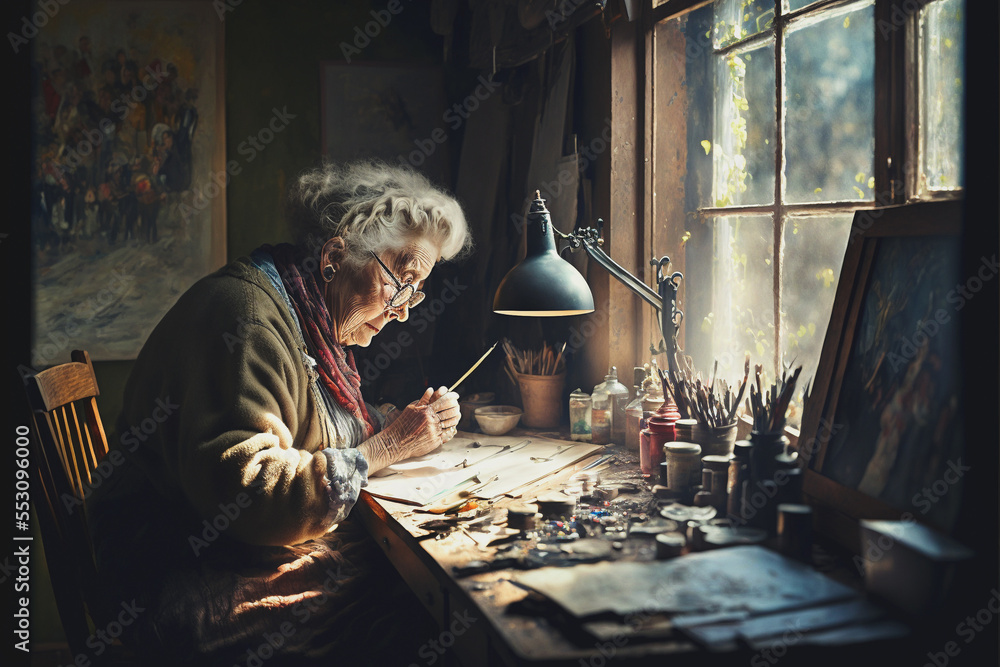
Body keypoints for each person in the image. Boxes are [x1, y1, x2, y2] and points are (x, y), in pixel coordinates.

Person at [87, 161, 472, 665]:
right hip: (177, 578)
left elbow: (312, 425)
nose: (402, 309)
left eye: (415, 292)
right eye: (400, 281)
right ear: (335, 255)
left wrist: (391, 424)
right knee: (410, 602)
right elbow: (251, 493)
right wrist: (389, 445)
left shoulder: (302, 314)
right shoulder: (247, 320)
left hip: (223, 554)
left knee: (407, 574)